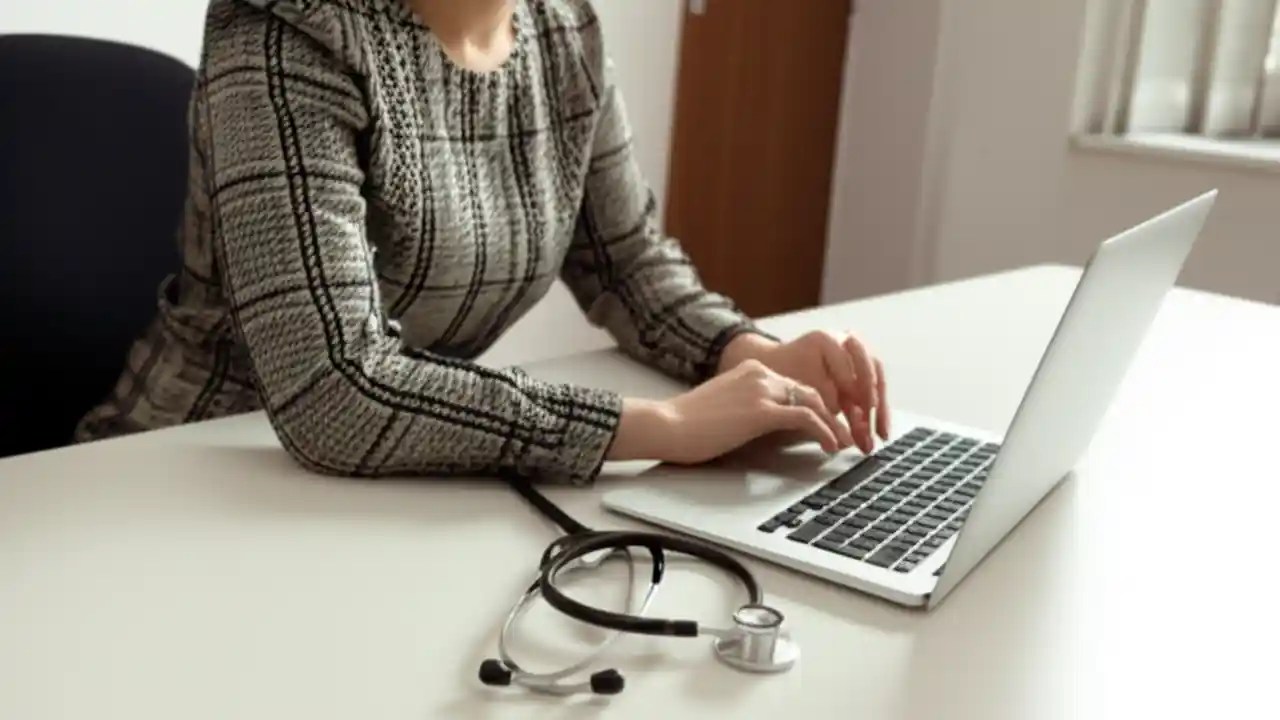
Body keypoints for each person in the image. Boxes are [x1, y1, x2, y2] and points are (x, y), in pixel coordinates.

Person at [76, 0, 891, 485]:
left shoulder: (561, 26)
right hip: (191, 472)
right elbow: (331, 390)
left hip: (407, 466)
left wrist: (744, 353)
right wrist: (661, 428)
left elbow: (628, 261)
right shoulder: (288, 33)